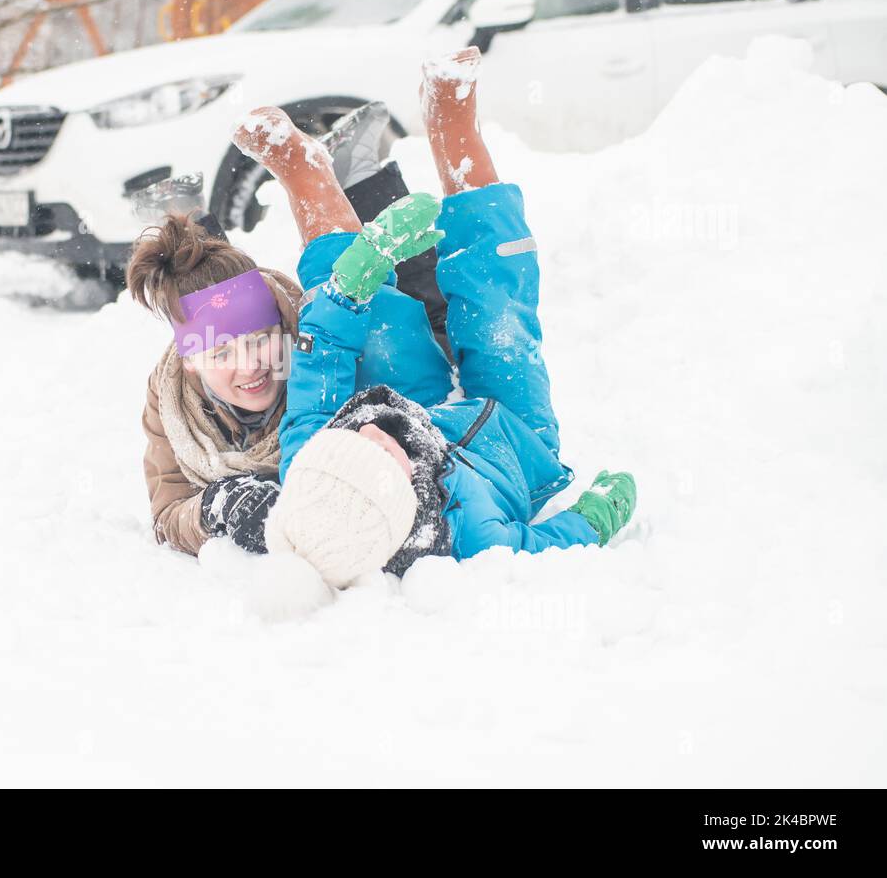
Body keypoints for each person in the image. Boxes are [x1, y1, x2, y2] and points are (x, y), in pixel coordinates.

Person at [228, 47, 637, 589]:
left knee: (370, 323)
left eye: (347, 443)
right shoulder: (469, 538)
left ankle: (307, 173)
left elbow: (318, 357)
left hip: (415, 398)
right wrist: (595, 517)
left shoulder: (311, 465)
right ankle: (453, 130)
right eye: (376, 458)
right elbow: (543, 547)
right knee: (499, 309)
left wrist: (352, 285)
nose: (368, 434)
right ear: (402, 498)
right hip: (516, 437)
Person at [127, 105, 459, 556]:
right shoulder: (171, 399)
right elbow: (170, 514)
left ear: (281, 330)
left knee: (409, 312)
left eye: (262, 341)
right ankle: (183, 222)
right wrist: (216, 507)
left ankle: (352, 171)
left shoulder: (310, 331)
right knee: (214, 294)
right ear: (188, 361)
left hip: (387, 334)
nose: (251, 368)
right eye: (221, 354)